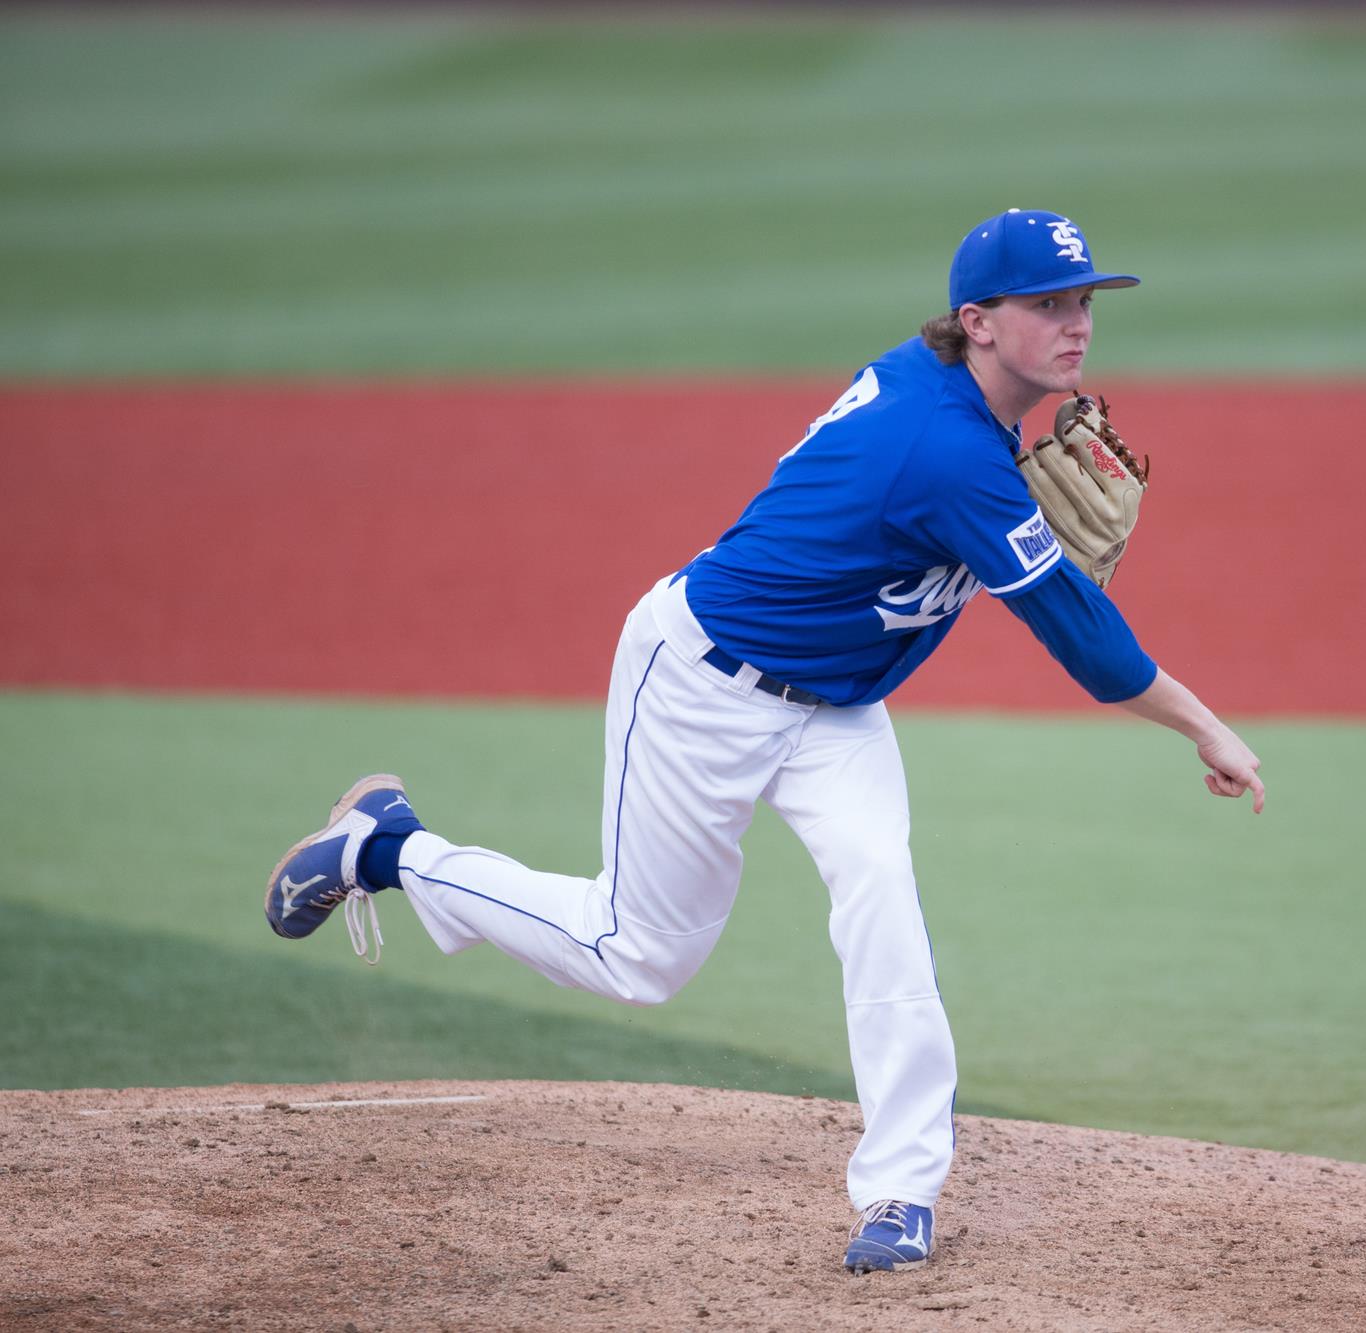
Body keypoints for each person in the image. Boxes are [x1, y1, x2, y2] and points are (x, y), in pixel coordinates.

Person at [264, 208, 1266, 1275]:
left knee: (879, 890)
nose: (1076, 326)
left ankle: (899, 1192)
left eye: (1083, 304)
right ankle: (389, 849)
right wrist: (1206, 728)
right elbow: (1082, 639)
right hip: (701, 686)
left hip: (834, 709)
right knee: (638, 955)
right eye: (1047, 305)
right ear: (976, 321)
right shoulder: (945, 450)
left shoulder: (957, 400)